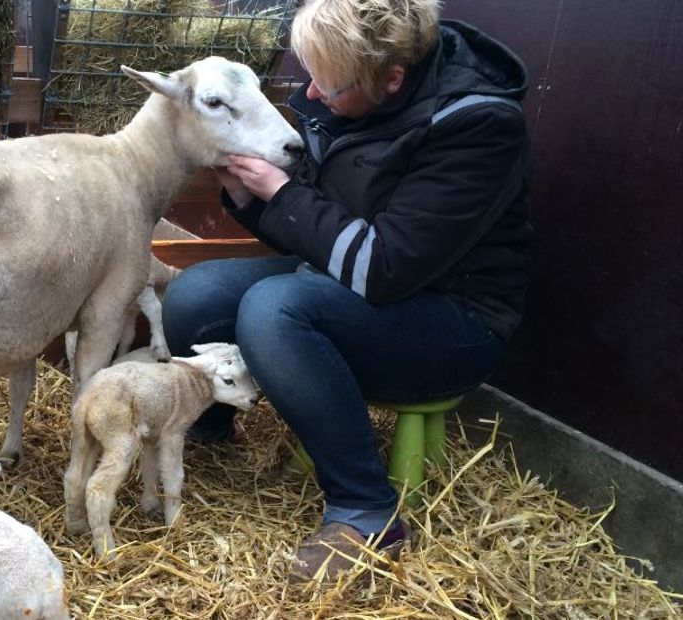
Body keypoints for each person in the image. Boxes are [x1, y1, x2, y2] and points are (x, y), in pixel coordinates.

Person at [161, 0, 532, 581]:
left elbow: (383, 268)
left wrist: (282, 195)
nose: (311, 94)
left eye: (327, 86)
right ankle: (208, 431)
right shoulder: (357, 98)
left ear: (391, 78)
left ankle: (366, 510)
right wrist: (247, 197)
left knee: (274, 310)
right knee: (195, 293)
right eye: (310, 76)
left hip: (451, 321)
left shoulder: (477, 126)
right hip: (353, 281)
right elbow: (320, 234)